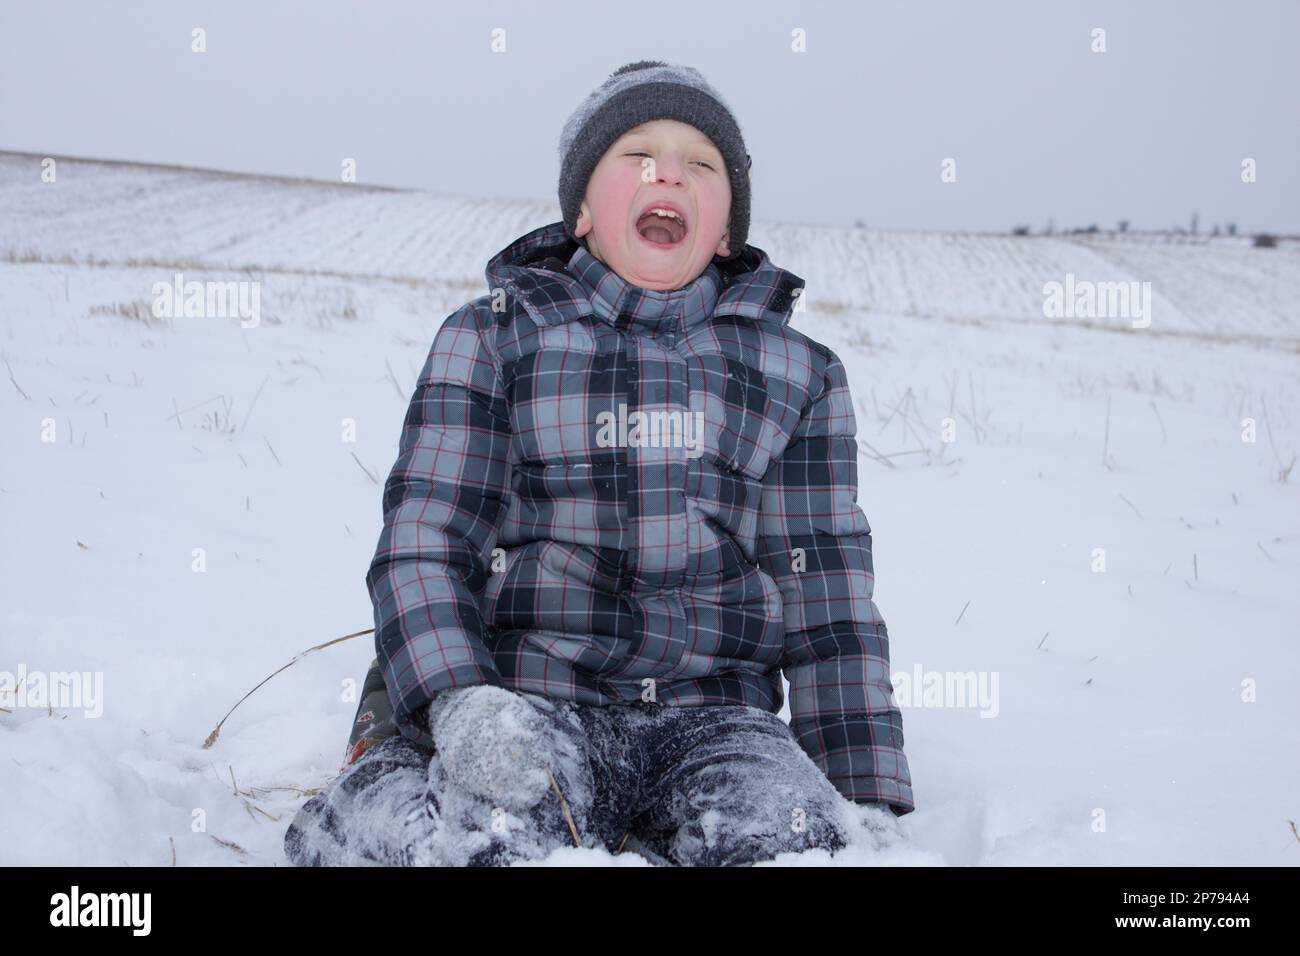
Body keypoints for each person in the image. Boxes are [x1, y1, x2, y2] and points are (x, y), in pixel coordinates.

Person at [284, 60, 914, 867]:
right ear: (582, 209)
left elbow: (825, 595)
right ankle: (380, 804)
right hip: (533, 696)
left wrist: (863, 797)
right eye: (638, 155)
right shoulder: (495, 337)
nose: (670, 173)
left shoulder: (799, 373)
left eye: (702, 163)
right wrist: (459, 702)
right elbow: (428, 540)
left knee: (792, 840)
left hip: (718, 718)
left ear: (727, 229)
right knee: (491, 838)